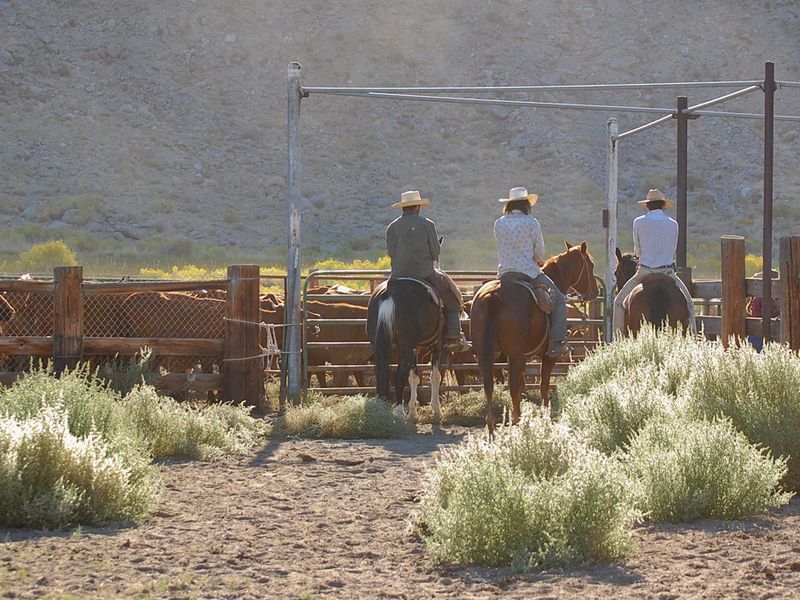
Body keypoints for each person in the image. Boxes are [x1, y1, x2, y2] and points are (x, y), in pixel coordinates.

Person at [386, 190, 470, 352]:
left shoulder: (392, 227)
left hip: (398, 275)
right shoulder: (427, 224)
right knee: (451, 297)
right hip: (424, 272)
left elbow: (390, 252)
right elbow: (435, 252)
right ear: (418, 207)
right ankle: (454, 335)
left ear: (403, 208)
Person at [494, 186, 570, 358]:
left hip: (505, 273)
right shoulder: (532, 222)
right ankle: (558, 342)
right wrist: (538, 260)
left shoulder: (499, 223)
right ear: (526, 204)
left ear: (510, 204)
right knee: (559, 299)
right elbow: (539, 252)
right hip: (528, 273)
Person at [613, 188, 697, 337]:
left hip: (645, 271)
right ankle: (693, 342)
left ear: (647, 206)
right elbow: (672, 248)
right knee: (689, 305)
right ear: (663, 205)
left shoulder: (638, 222)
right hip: (668, 272)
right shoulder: (673, 224)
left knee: (618, 303)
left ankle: (617, 343)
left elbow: (637, 251)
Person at [746, 269, 780, 352]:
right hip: (761, 333)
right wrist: (779, 311)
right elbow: (771, 312)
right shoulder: (763, 298)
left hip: (756, 332)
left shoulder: (757, 298)